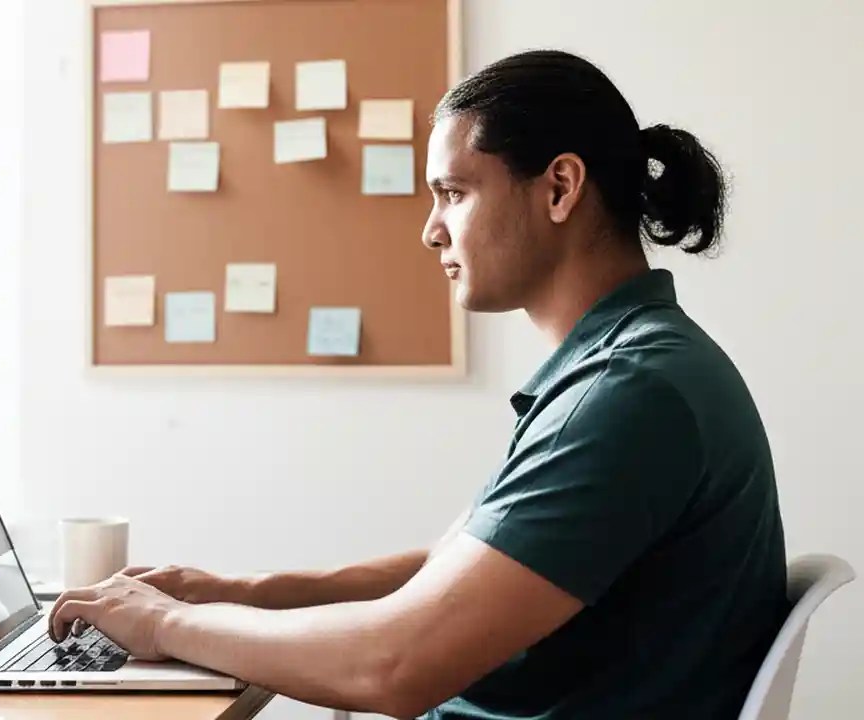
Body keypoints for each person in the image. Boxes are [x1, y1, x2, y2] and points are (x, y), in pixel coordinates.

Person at [48, 50, 789, 719]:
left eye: (453, 192)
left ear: (559, 188)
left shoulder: (629, 394)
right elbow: (450, 569)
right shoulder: (623, 368)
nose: (431, 230)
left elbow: (393, 667)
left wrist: (164, 625)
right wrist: (235, 593)